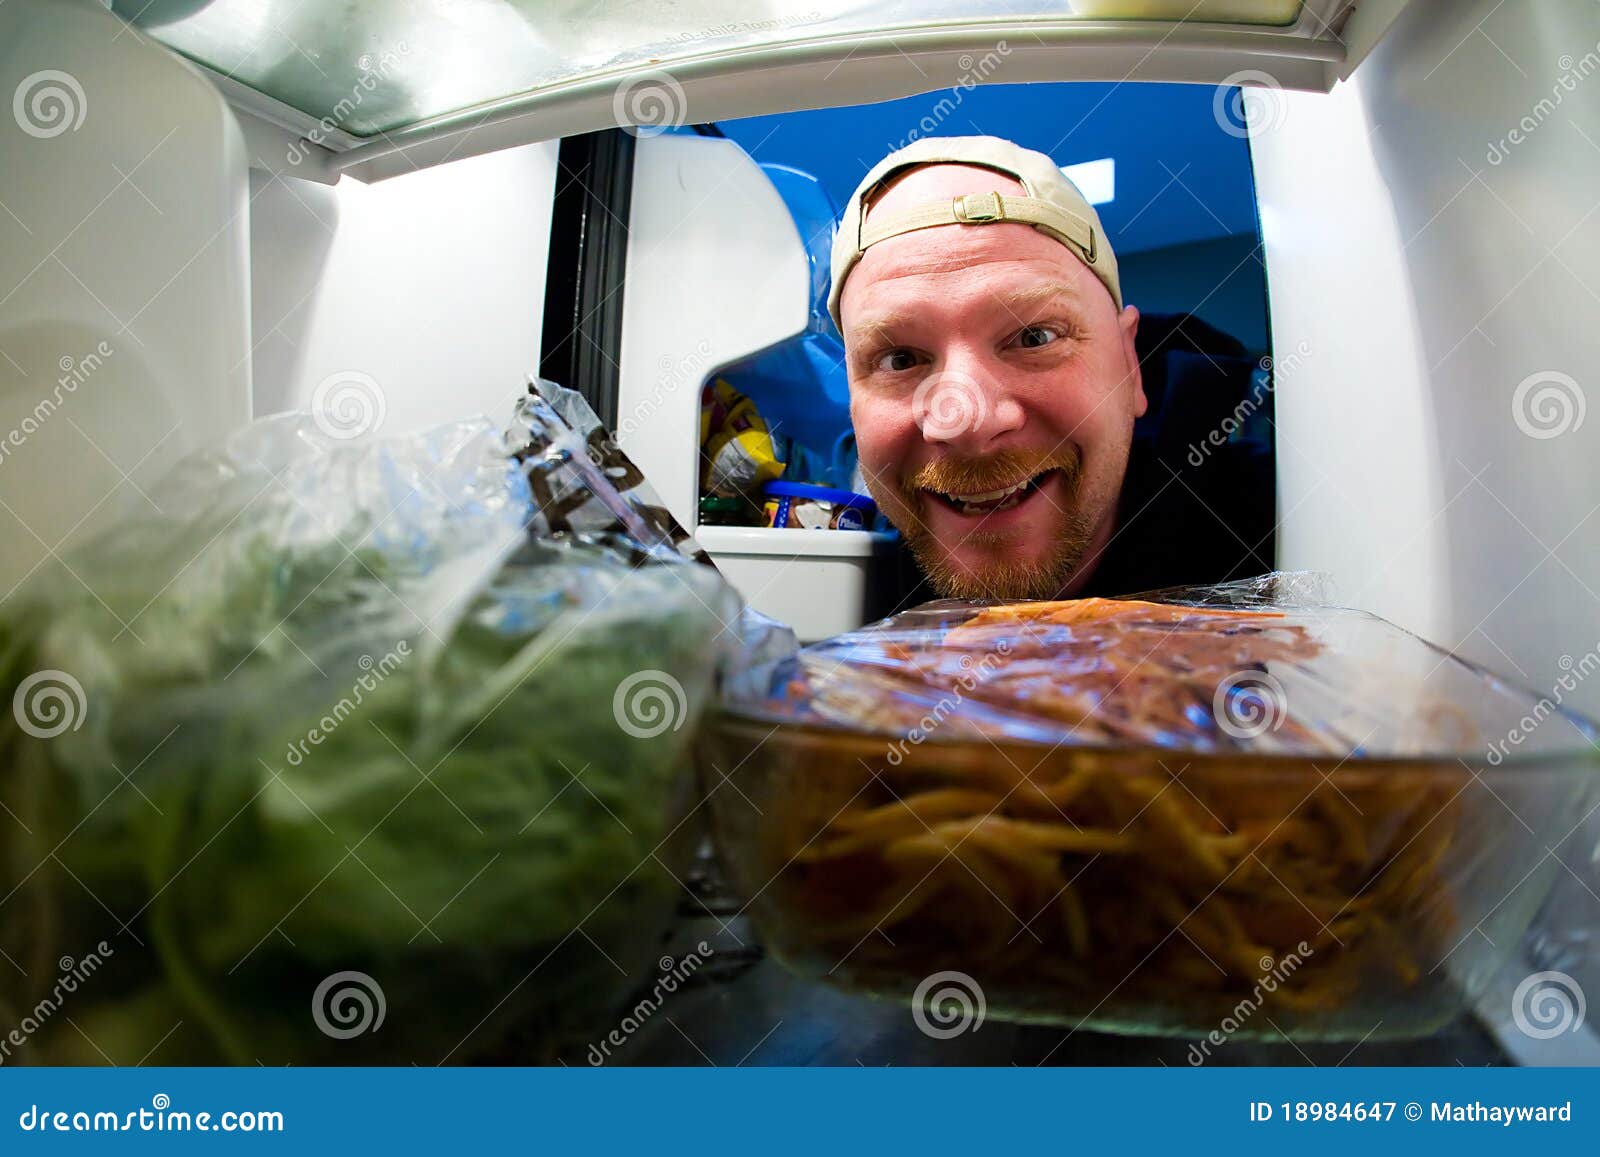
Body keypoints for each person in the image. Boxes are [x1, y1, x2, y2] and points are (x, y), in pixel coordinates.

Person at [828, 135, 1274, 603]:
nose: (966, 423)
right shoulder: (845, 595)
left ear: (1129, 365)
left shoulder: (1292, 527)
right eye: (900, 359)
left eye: (1033, 337)